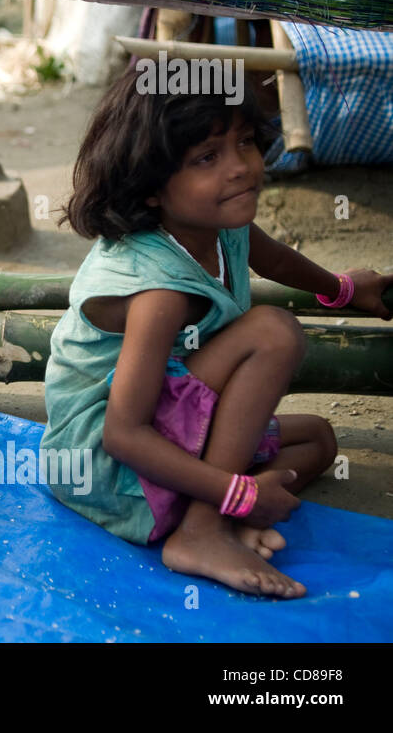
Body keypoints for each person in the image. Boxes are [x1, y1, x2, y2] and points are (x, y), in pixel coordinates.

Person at [43, 66, 391, 598]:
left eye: (245, 143)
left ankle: (215, 514)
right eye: (207, 157)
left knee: (319, 440)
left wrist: (343, 289)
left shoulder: (217, 222)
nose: (241, 168)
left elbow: (275, 259)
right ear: (151, 185)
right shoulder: (159, 292)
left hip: (166, 423)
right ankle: (203, 530)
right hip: (107, 468)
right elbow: (123, 433)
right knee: (272, 331)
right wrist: (242, 496)